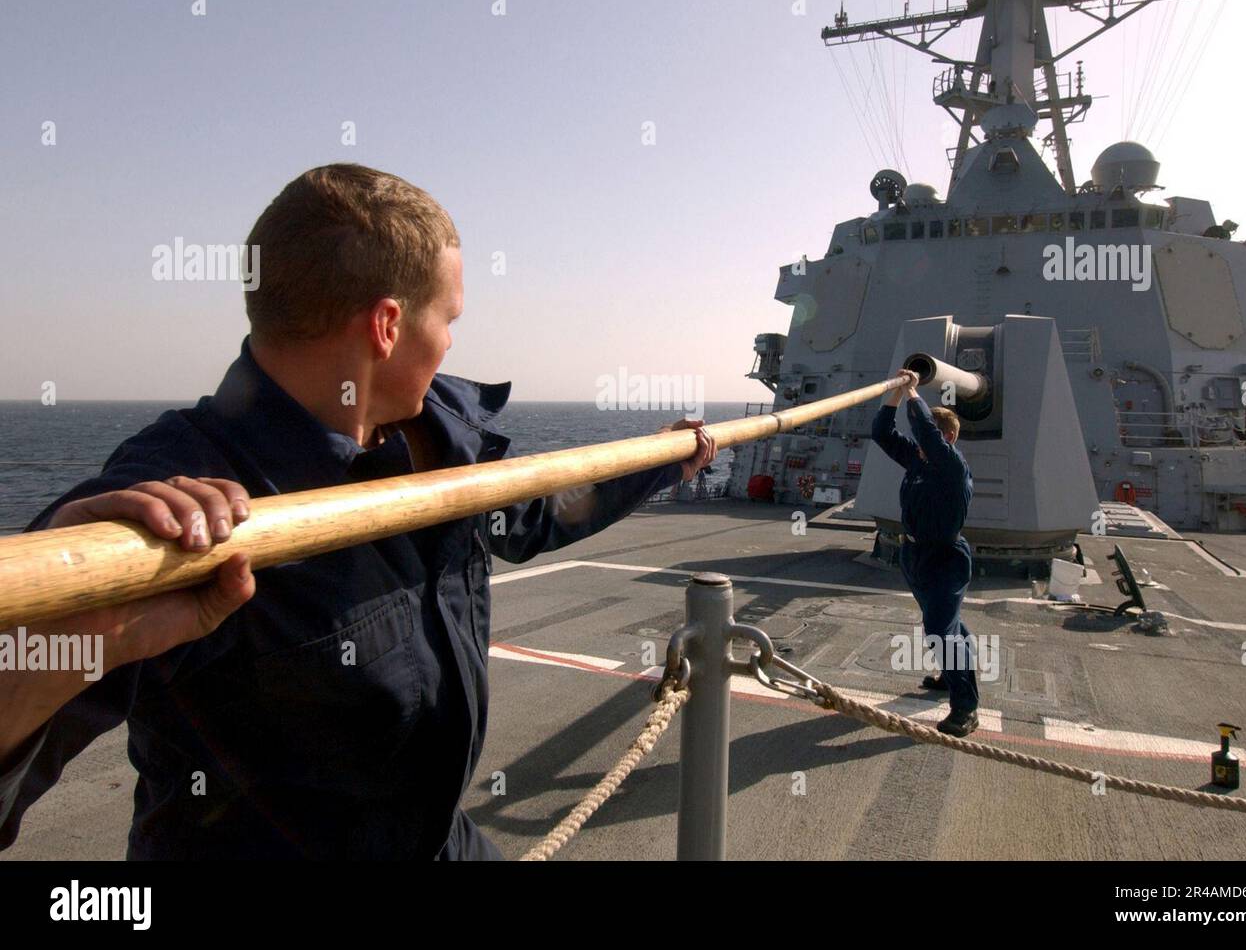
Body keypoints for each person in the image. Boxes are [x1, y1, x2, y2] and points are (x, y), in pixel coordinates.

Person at [0, 163, 717, 859]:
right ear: (386, 325)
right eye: (450, 318)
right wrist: (62, 642)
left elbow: (531, 514)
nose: (451, 343)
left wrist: (658, 458)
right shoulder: (171, 513)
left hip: (432, 840)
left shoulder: (436, 431)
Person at [870, 368, 978, 737]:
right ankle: (952, 677)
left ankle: (966, 707)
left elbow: (925, 435)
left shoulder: (951, 467)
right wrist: (897, 394)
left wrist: (914, 392)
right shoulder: (919, 460)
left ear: (946, 437)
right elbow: (882, 433)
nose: (917, 445)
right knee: (949, 625)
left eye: (929, 437)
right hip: (914, 556)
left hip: (946, 559)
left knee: (938, 628)